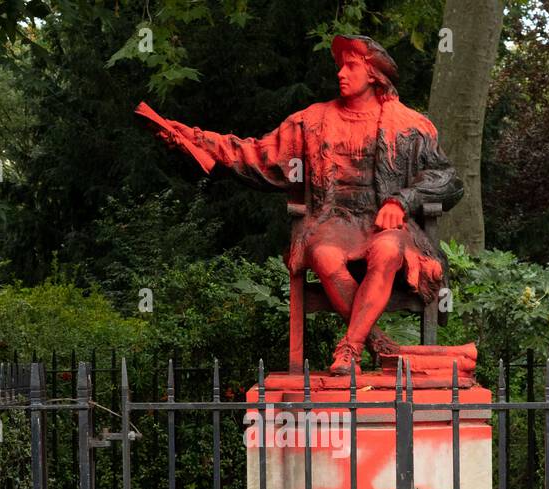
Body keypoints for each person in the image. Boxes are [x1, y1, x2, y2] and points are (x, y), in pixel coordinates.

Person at [147, 34, 463, 373]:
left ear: (373, 74)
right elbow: (258, 154)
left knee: (386, 251)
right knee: (322, 255)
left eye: (351, 66)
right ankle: (376, 346)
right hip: (334, 222)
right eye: (340, 66)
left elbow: (448, 179)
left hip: (388, 227)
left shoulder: (410, 126)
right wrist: (197, 140)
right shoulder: (312, 121)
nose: (341, 73)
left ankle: (351, 348)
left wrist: (402, 201)